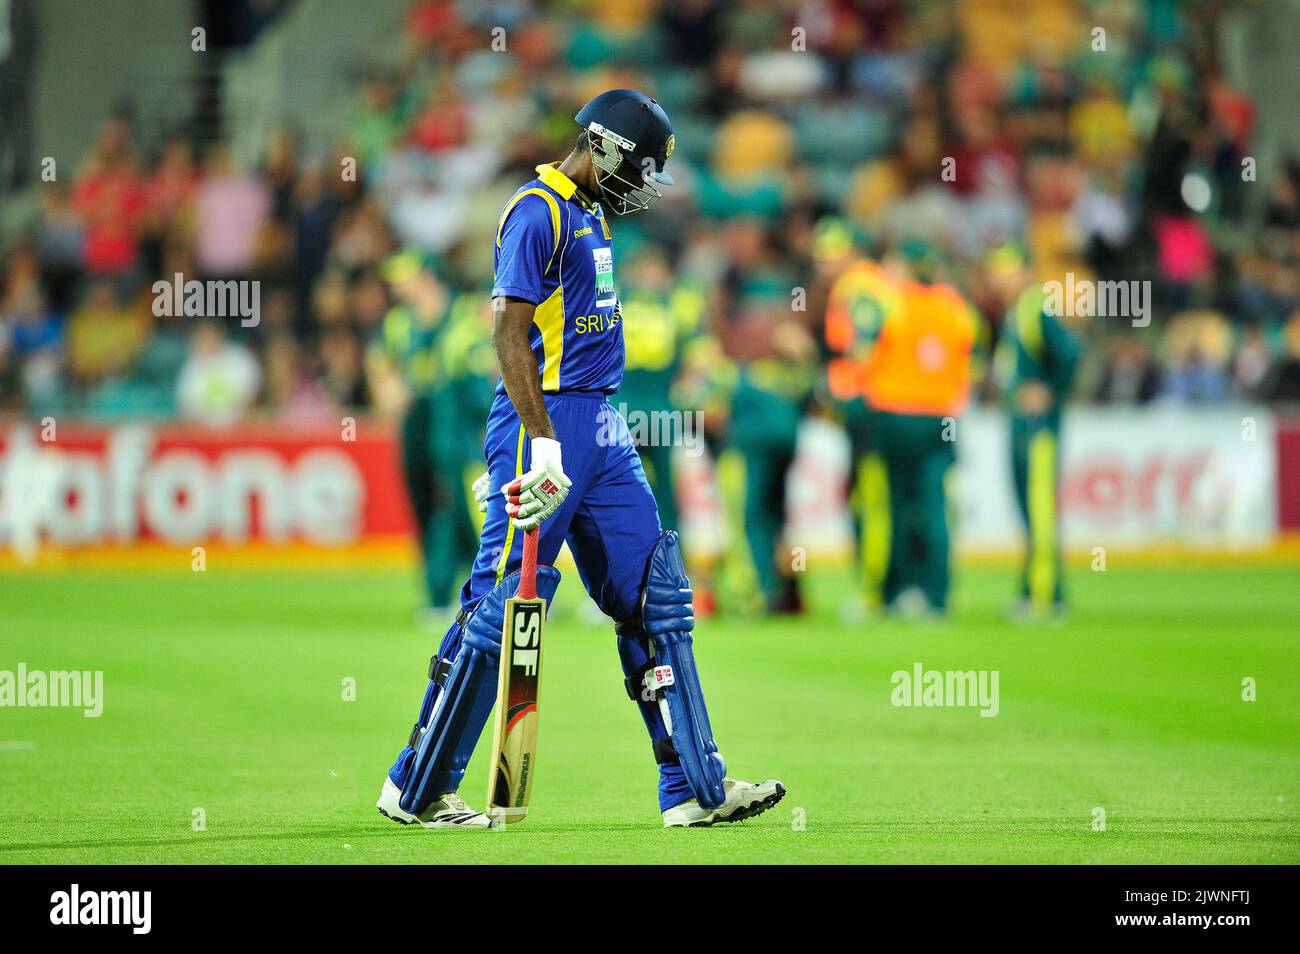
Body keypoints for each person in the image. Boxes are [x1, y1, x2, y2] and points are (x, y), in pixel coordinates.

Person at [376, 90, 784, 829]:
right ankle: (419, 786)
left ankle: (694, 786)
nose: (642, 185)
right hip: (550, 420)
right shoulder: (536, 211)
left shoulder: (591, 211)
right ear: (599, 146)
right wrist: (533, 443)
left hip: (601, 420)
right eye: (639, 167)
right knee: (503, 604)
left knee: (654, 596)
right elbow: (507, 334)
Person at [855, 243, 981, 615]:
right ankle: (938, 596)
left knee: (894, 507)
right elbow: (971, 359)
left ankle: (895, 593)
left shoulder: (891, 302)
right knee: (934, 507)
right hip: (940, 417)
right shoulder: (957, 308)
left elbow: (865, 354)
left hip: (895, 415)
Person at [990, 245, 1080, 618]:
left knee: (1039, 511)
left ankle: (1046, 594)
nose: (997, 278)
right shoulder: (1017, 311)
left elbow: (1070, 352)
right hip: (1022, 424)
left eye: (1004, 270)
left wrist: (1049, 392)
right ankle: (1034, 587)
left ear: (1024, 271)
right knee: (1030, 509)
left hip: (1038, 428)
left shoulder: (1035, 306)